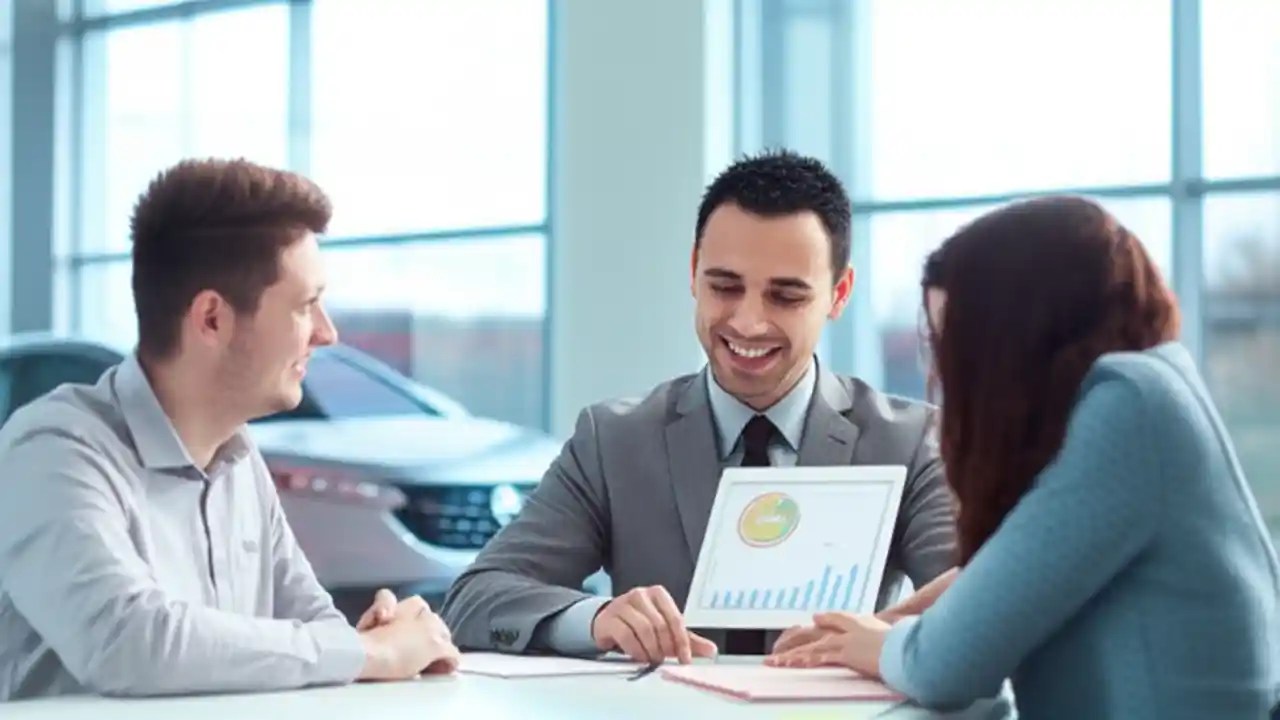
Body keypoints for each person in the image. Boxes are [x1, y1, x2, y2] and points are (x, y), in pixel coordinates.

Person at [767, 196, 1280, 718]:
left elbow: (944, 666)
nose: (945, 373)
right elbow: (1011, 566)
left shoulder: (1132, 406)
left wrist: (875, 644)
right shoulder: (1149, 389)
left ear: (1013, 336)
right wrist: (876, 629)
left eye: (952, 344)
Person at [439, 150, 958, 663]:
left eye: (786, 297)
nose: (748, 322)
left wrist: (887, 636)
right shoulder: (614, 439)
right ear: (693, 272)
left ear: (838, 293)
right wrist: (595, 620)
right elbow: (475, 599)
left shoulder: (908, 443)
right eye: (725, 286)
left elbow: (976, 608)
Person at [0, 158, 460, 700]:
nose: (327, 333)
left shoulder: (239, 458)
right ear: (212, 319)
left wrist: (377, 639)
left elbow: (316, 633)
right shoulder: (53, 450)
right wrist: (369, 654)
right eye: (306, 305)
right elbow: (128, 642)